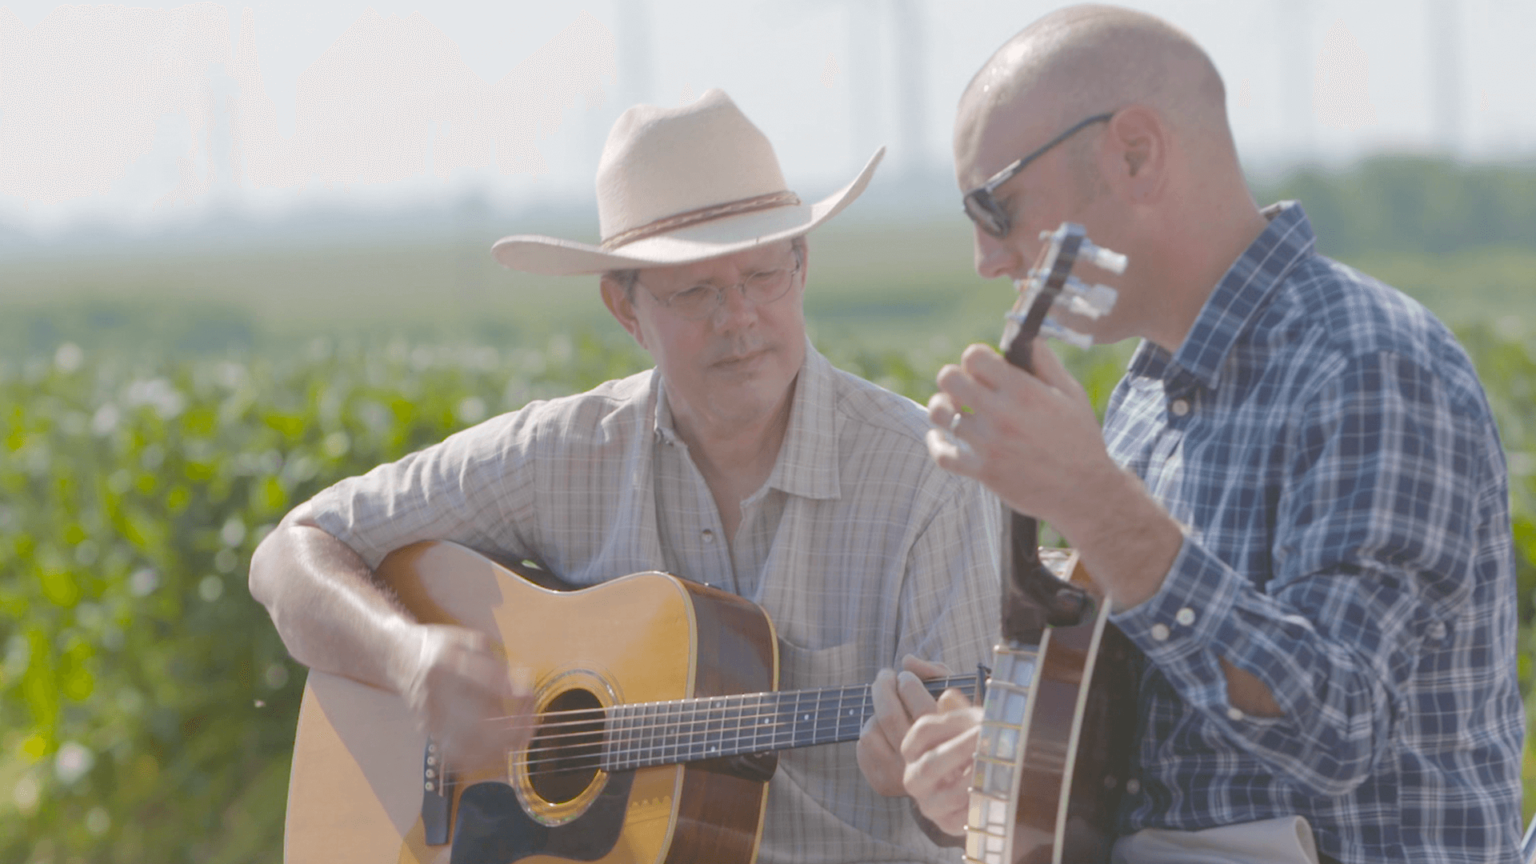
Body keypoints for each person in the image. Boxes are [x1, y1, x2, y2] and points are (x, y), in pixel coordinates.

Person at [248, 88, 1000, 864]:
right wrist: (407, 661)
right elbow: (289, 555)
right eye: (696, 290)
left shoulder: (931, 478)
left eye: (763, 274)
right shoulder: (561, 454)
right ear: (625, 308)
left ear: (802, 266)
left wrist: (937, 789)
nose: (738, 316)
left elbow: (987, 804)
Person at [900, 6, 1525, 864]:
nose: (987, 258)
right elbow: (1165, 743)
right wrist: (1015, 753)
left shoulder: (1372, 365)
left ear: (1134, 153)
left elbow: (1338, 728)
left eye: (996, 206)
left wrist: (1094, 502)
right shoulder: (1142, 395)